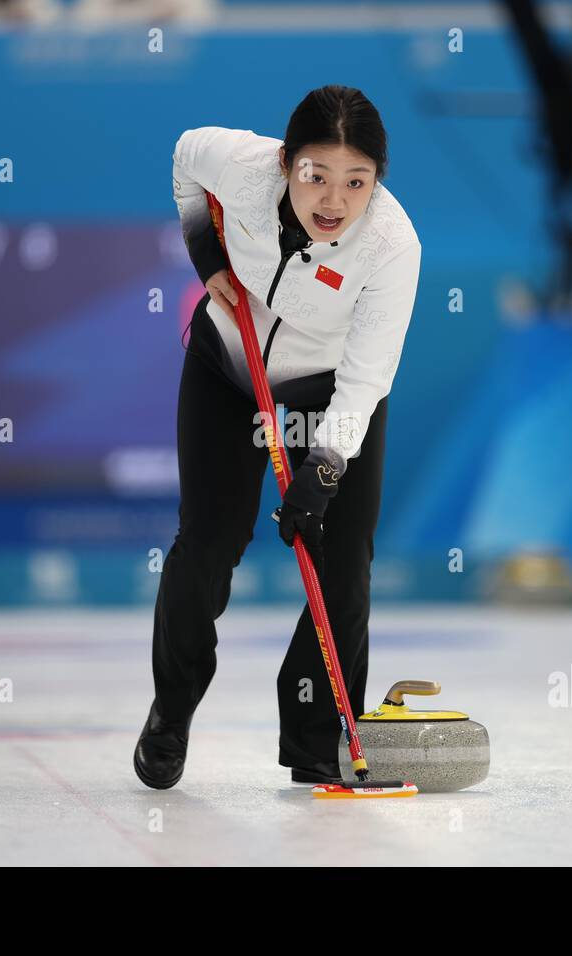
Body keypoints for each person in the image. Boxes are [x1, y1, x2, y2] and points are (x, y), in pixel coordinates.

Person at [135, 86, 422, 790]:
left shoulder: (391, 246)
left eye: (357, 181)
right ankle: (171, 712)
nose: (334, 199)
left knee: (343, 558)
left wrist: (323, 472)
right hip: (228, 371)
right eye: (316, 175)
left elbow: (366, 377)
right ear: (286, 163)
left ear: (377, 182)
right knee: (209, 543)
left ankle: (318, 736)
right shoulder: (241, 165)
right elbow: (183, 159)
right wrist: (206, 254)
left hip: (328, 393)